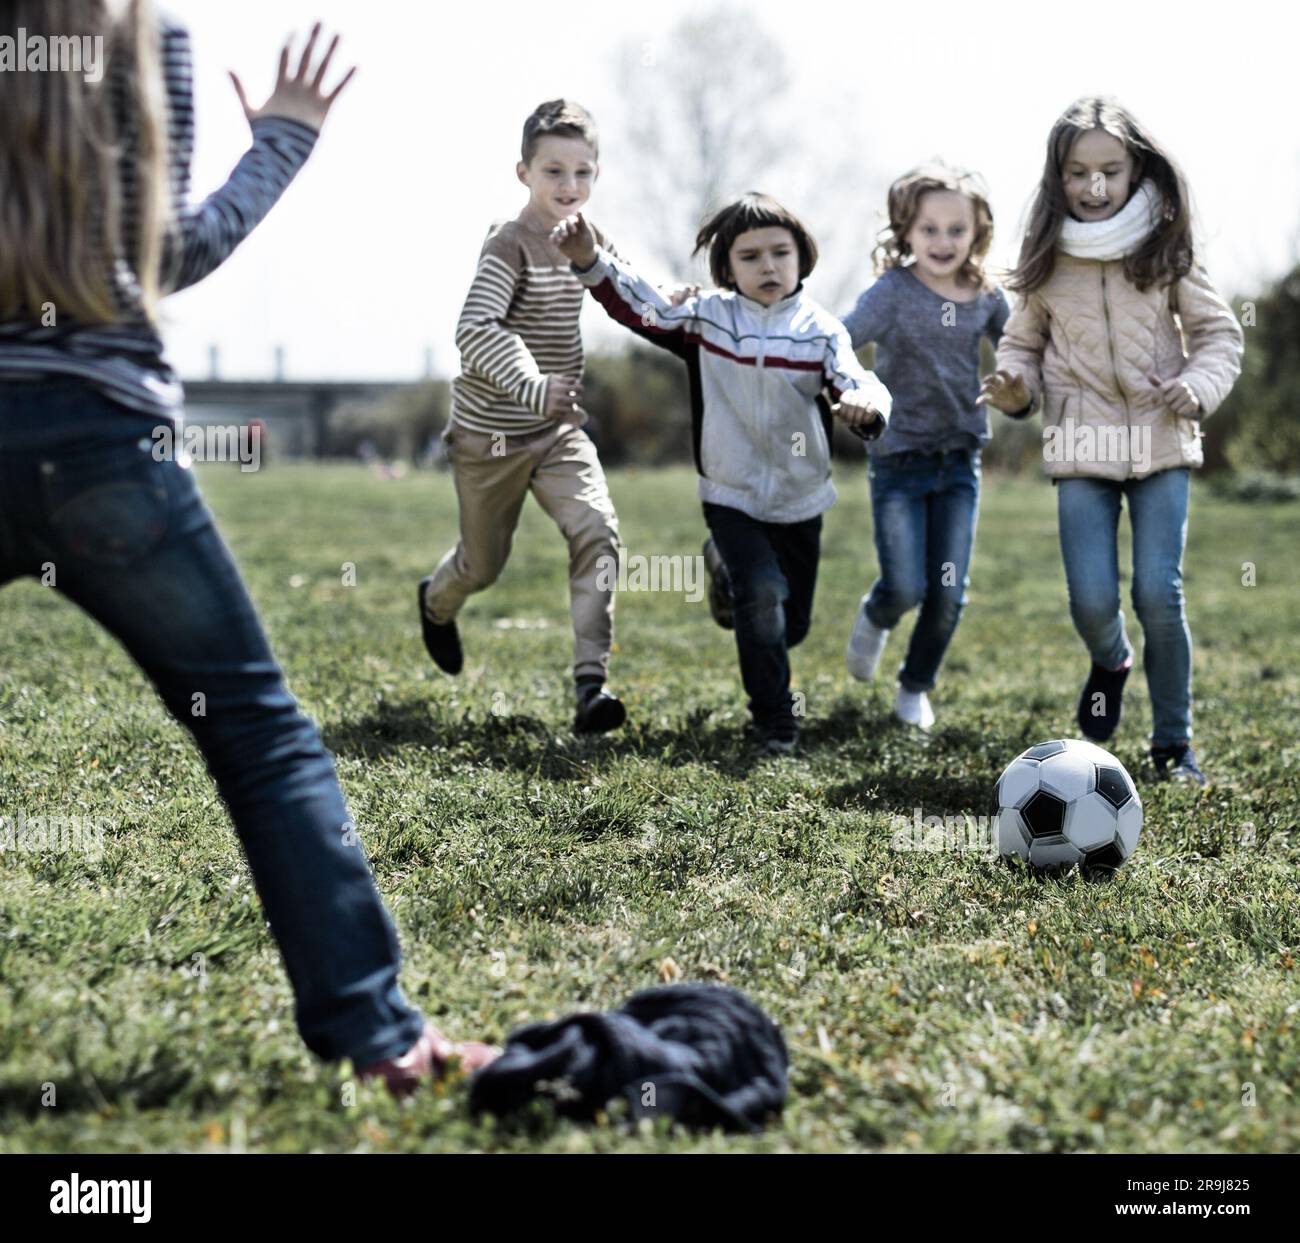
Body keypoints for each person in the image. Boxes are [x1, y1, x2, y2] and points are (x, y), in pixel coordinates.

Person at [0, 2, 492, 1093]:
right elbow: (170, 253)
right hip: (102, 443)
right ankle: (380, 1039)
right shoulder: (139, 36)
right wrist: (283, 138)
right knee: (261, 740)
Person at [552, 194, 891, 753]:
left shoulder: (821, 332)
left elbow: (856, 380)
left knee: (791, 624)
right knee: (760, 595)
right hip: (729, 494)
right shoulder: (706, 320)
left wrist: (866, 406)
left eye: (780, 253)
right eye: (750, 256)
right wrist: (592, 260)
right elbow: (641, 304)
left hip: (801, 499)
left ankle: (722, 573)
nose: (768, 266)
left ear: (802, 258)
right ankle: (775, 724)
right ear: (727, 267)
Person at [979, 97, 1243, 784]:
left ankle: (1173, 743)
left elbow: (1219, 336)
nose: (1094, 187)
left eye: (1109, 171)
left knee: (1159, 593)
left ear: (1134, 171)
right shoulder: (1045, 261)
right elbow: (1021, 347)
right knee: (1093, 599)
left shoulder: (1165, 248)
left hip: (1162, 441)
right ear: (1057, 176)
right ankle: (1111, 659)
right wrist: (1015, 388)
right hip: (1080, 447)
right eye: (1077, 172)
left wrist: (1197, 385)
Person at [418, 99, 627, 734]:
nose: (569, 187)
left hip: (558, 432)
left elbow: (630, 291)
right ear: (524, 174)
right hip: (491, 435)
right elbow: (474, 329)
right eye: (554, 172)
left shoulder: (590, 241)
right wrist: (533, 387)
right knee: (483, 566)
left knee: (597, 529)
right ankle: (434, 602)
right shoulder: (509, 245)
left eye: (583, 173)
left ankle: (592, 686)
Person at [840, 163, 1010, 730]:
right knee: (907, 586)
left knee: (947, 591)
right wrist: (846, 390)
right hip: (898, 460)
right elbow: (840, 342)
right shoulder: (891, 292)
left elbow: (1021, 355)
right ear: (905, 231)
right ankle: (877, 613)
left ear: (978, 232)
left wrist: (1019, 388)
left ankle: (914, 686)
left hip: (960, 459)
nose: (943, 242)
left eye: (956, 230)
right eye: (929, 229)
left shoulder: (987, 296)